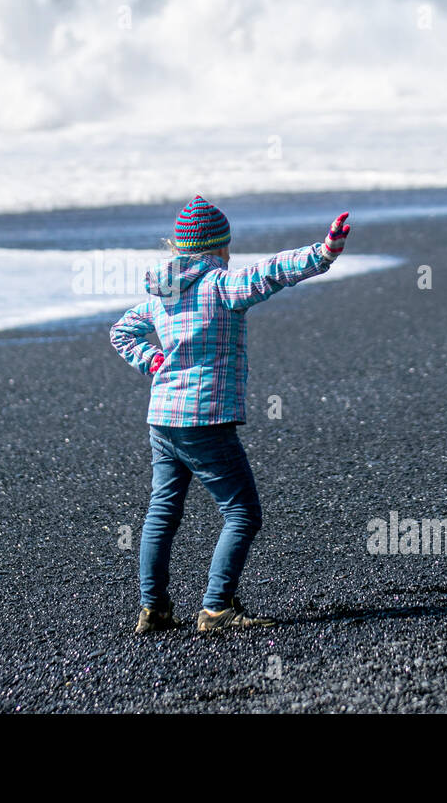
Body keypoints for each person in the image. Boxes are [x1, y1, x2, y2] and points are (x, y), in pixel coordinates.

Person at [110, 195, 351, 632]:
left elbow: (122, 331)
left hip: (161, 419)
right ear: (218, 249)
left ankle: (154, 608)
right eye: (228, 247)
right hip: (204, 421)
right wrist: (325, 251)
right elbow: (273, 272)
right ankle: (216, 607)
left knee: (162, 511)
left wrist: (154, 362)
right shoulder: (222, 285)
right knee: (242, 513)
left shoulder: (162, 295)